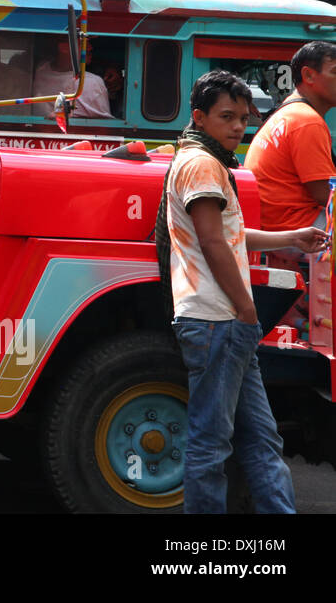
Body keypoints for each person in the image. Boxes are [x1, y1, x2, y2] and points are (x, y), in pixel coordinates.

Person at [156, 70, 325, 513]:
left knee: (261, 440)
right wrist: (248, 310)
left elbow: (227, 234)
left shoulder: (203, 160)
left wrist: (292, 237)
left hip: (226, 323)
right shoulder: (202, 164)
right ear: (199, 116)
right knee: (212, 446)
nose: (238, 127)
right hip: (218, 320)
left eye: (243, 117)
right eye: (226, 117)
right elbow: (213, 242)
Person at [244, 41, 336, 240]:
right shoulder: (307, 121)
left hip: (273, 224)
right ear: (309, 75)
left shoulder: (288, 111)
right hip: (297, 226)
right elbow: (327, 195)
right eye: (335, 72)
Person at [30, 37, 110, 118]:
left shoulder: (93, 82)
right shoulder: (38, 69)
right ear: (63, 47)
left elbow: (102, 124)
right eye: (82, 42)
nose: (89, 47)